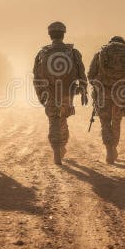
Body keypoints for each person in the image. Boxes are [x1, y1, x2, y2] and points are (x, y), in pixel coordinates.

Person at [33, 21, 87, 165]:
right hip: (67, 93)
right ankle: (61, 146)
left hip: (50, 93)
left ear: (50, 35)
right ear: (64, 34)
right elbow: (82, 73)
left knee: (54, 120)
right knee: (63, 119)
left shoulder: (42, 53)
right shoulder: (73, 52)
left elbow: (36, 77)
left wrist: (40, 96)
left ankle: (57, 149)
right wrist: (83, 91)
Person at [87, 36, 125, 164]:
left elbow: (90, 75)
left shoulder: (100, 53)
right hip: (120, 93)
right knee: (116, 121)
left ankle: (108, 150)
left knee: (105, 121)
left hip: (103, 94)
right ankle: (114, 146)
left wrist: (97, 88)